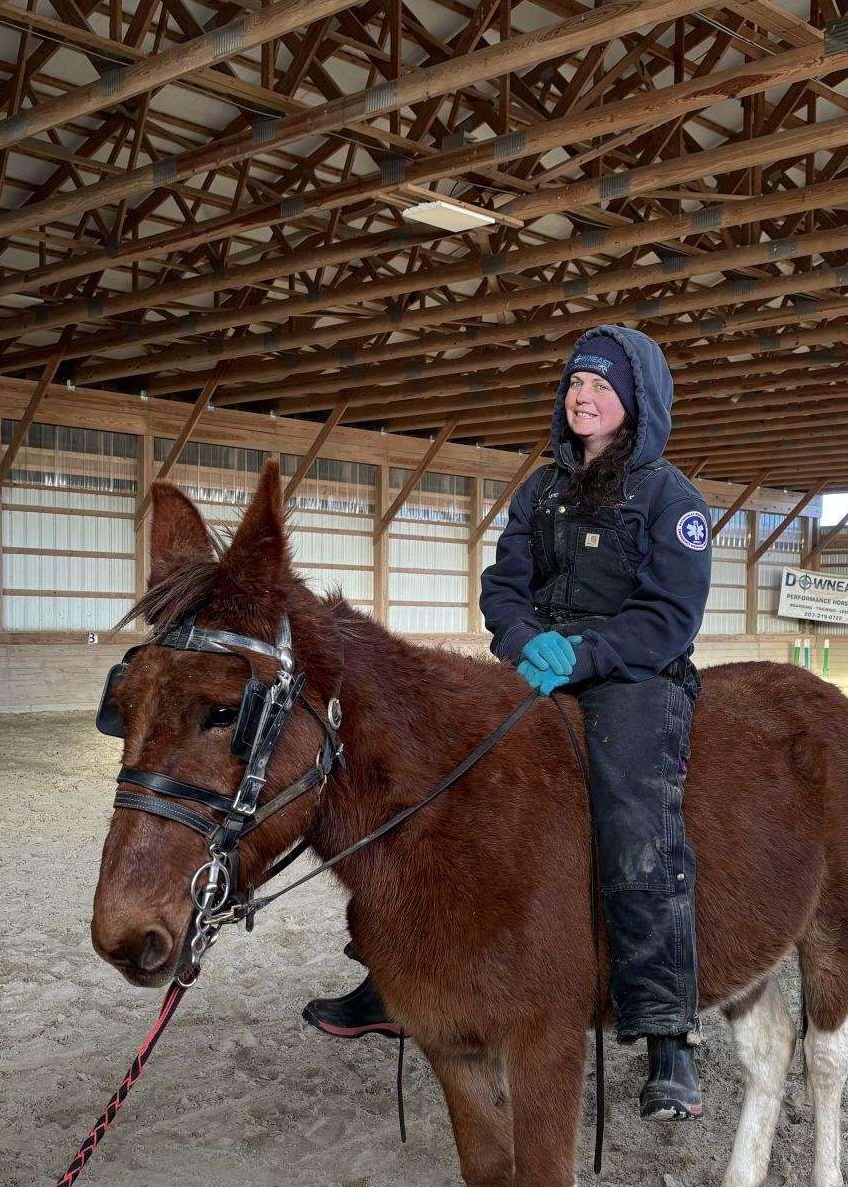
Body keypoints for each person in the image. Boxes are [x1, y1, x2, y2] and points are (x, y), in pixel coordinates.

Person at [304, 325, 712, 1120]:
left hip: (632, 676)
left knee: (638, 823)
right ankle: (391, 980)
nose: (582, 397)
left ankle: (667, 1031)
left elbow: (670, 616)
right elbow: (504, 586)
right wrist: (525, 643)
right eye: (575, 385)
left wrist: (585, 654)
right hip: (538, 664)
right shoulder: (541, 490)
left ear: (636, 402)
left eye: (600, 387)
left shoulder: (672, 500)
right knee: (433, 791)